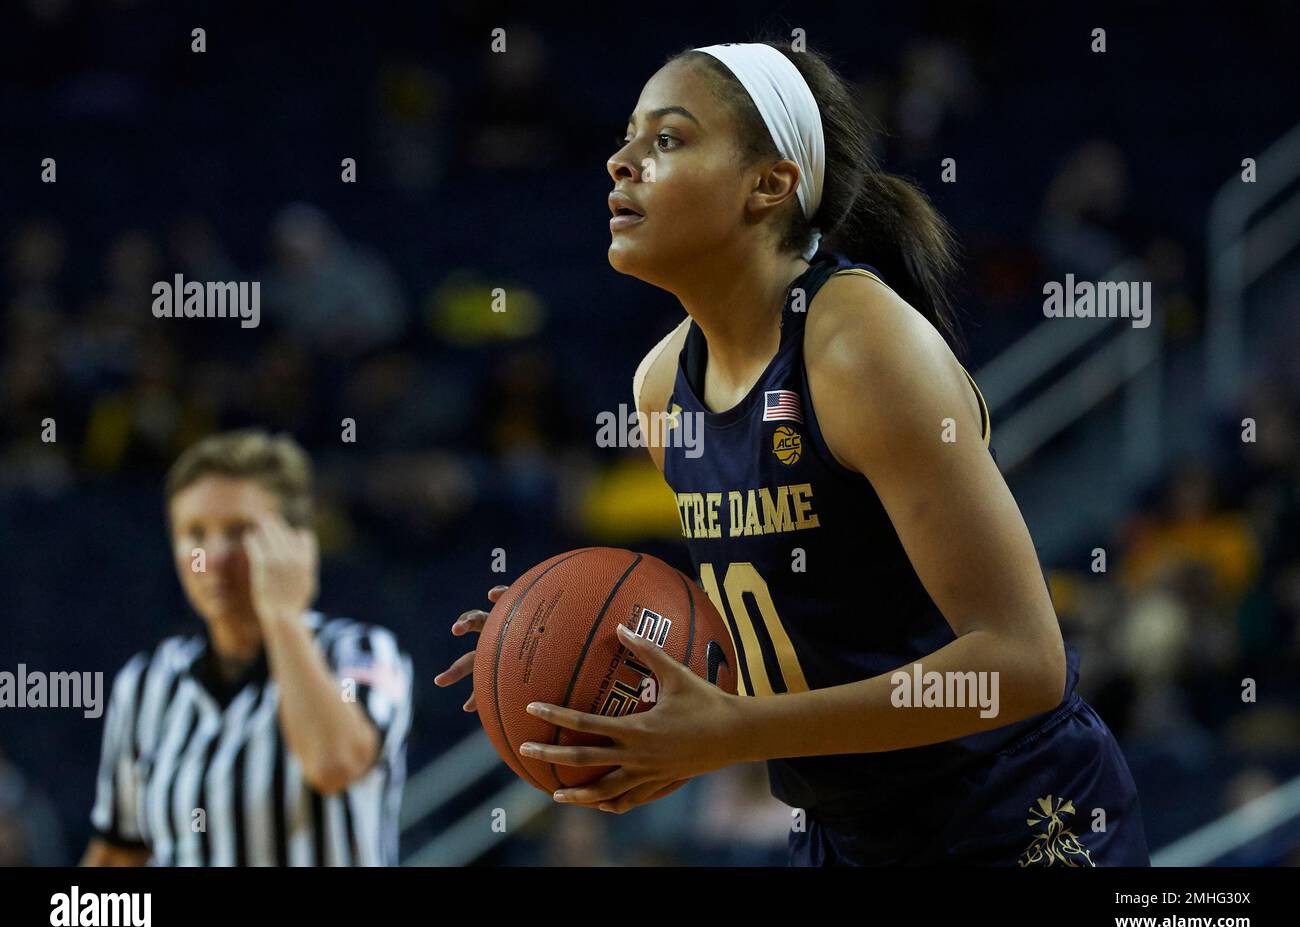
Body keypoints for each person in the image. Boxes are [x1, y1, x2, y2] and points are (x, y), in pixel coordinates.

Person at [441, 40, 1148, 866]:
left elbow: (1021, 664)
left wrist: (733, 732)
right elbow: (798, 637)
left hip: (1016, 812)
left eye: (667, 139)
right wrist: (567, 642)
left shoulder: (860, 347)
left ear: (770, 184)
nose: (621, 161)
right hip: (845, 834)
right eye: (628, 136)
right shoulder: (662, 390)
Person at [83, 429, 412, 866]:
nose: (214, 556)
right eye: (194, 533)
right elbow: (118, 853)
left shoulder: (363, 652)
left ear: (297, 543)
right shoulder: (146, 683)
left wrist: (282, 614)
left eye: (241, 531)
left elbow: (333, 763)